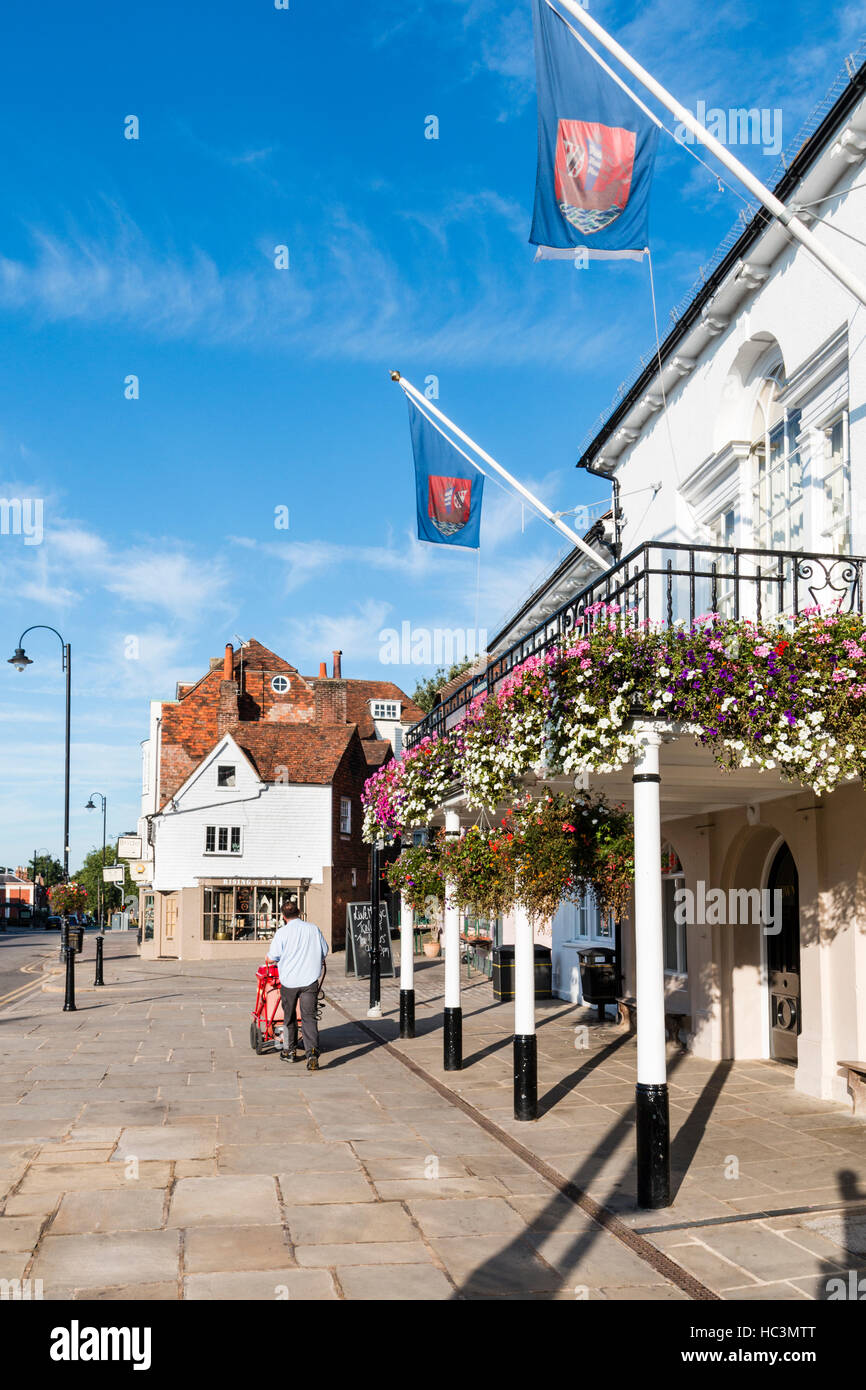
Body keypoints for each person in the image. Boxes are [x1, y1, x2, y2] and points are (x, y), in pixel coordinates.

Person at [266, 900, 329, 1071]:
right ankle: (313, 1053)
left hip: (289, 982)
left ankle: (289, 1051)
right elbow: (324, 951)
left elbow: (272, 957)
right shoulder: (313, 929)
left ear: (283, 916)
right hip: (309, 981)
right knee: (309, 1017)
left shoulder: (282, 933)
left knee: (290, 1017)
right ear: (299, 912)